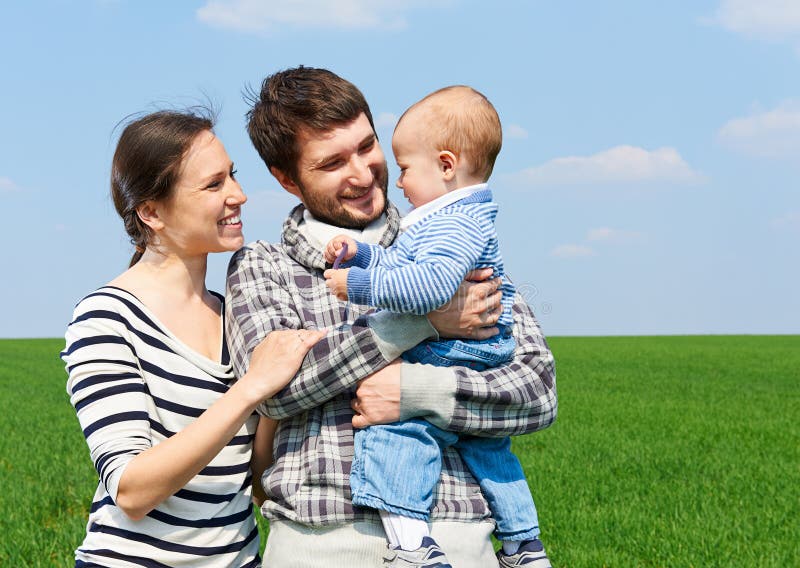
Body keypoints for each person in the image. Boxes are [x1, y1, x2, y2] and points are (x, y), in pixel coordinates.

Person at [226, 66, 557, 568]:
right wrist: (422, 321)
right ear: (287, 179)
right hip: (318, 544)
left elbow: (536, 394)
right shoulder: (263, 266)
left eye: (366, 147)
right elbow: (273, 391)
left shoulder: (454, 237)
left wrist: (418, 393)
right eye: (332, 162)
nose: (361, 174)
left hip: (457, 541)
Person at [61, 109, 325, 567]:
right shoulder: (105, 319)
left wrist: (283, 399)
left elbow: (258, 486)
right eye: (213, 185)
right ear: (150, 212)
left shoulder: (237, 317)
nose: (238, 195)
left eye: (233, 176)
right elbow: (132, 489)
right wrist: (251, 388)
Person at [322, 85, 549, 567]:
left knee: (395, 430)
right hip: (481, 351)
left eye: (405, 168)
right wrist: (362, 252)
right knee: (488, 447)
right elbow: (405, 261)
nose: (397, 181)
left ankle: (410, 545)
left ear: (446, 166)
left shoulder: (452, 224)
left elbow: (426, 287)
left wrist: (357, 284)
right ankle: (523, 544)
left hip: (454, 350)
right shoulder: (455, 218)